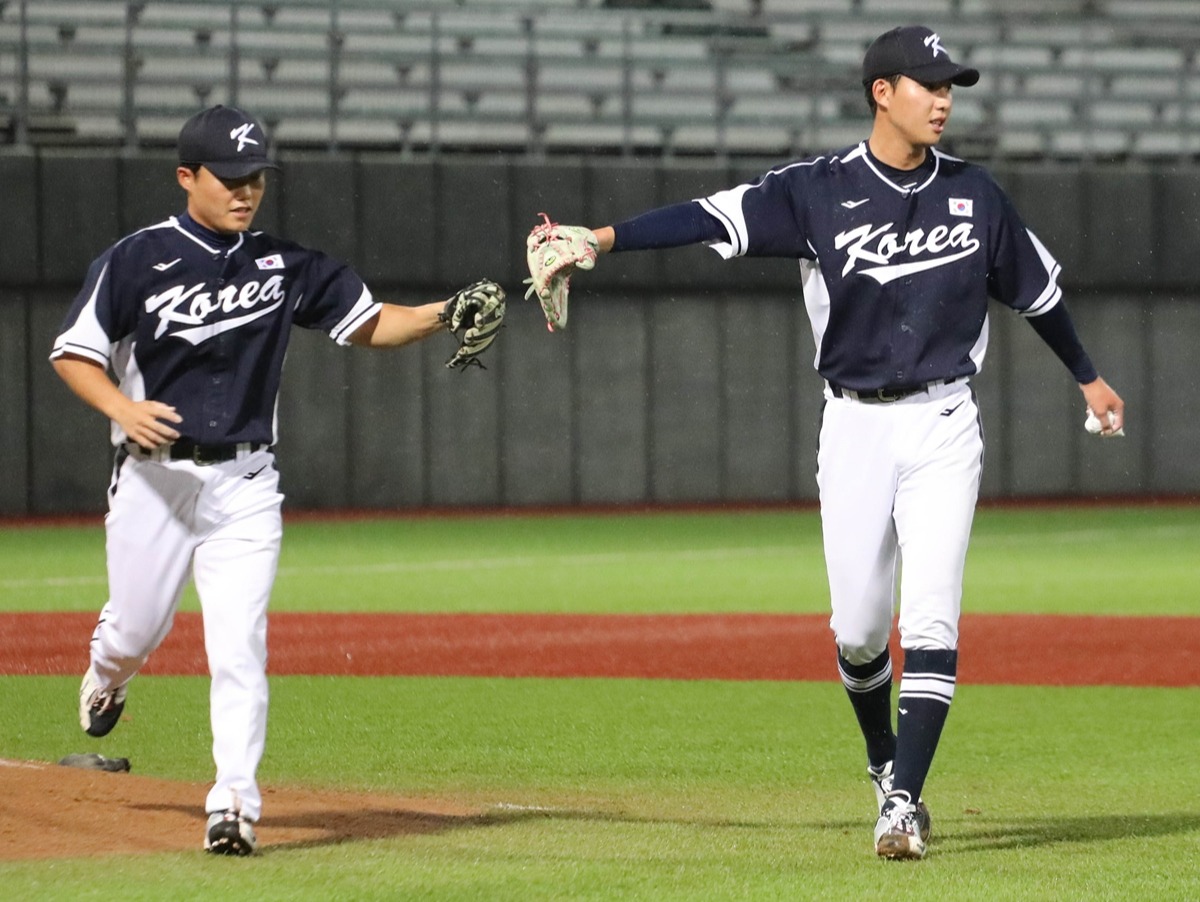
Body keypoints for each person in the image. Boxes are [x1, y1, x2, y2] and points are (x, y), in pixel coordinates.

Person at [527, 25, 1124, 859]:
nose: (945, 97)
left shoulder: (977, 195)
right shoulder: (817, 190)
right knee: (857, 631)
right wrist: (599, 238)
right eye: (929, 83)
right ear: (883, 92)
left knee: (933, 616)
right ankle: (883, 765)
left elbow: (1039, 294)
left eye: (952, 85)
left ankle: (904, 805)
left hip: (945, 422)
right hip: (853, 426)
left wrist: (1088, 376)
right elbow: (707, 216)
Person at [50, 104, 505, 856]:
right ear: (185, 178)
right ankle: (108, 671)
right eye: (229, 177)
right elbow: (74, 352)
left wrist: (446, 313)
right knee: (136, 631)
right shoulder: (137, 259)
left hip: (247, 486)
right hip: (155, 484)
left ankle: (233, 806)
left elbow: (370, 323)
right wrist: (121, 407)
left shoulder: (287, 264)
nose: (245, 190)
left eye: (256, 176)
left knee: (238, 648)